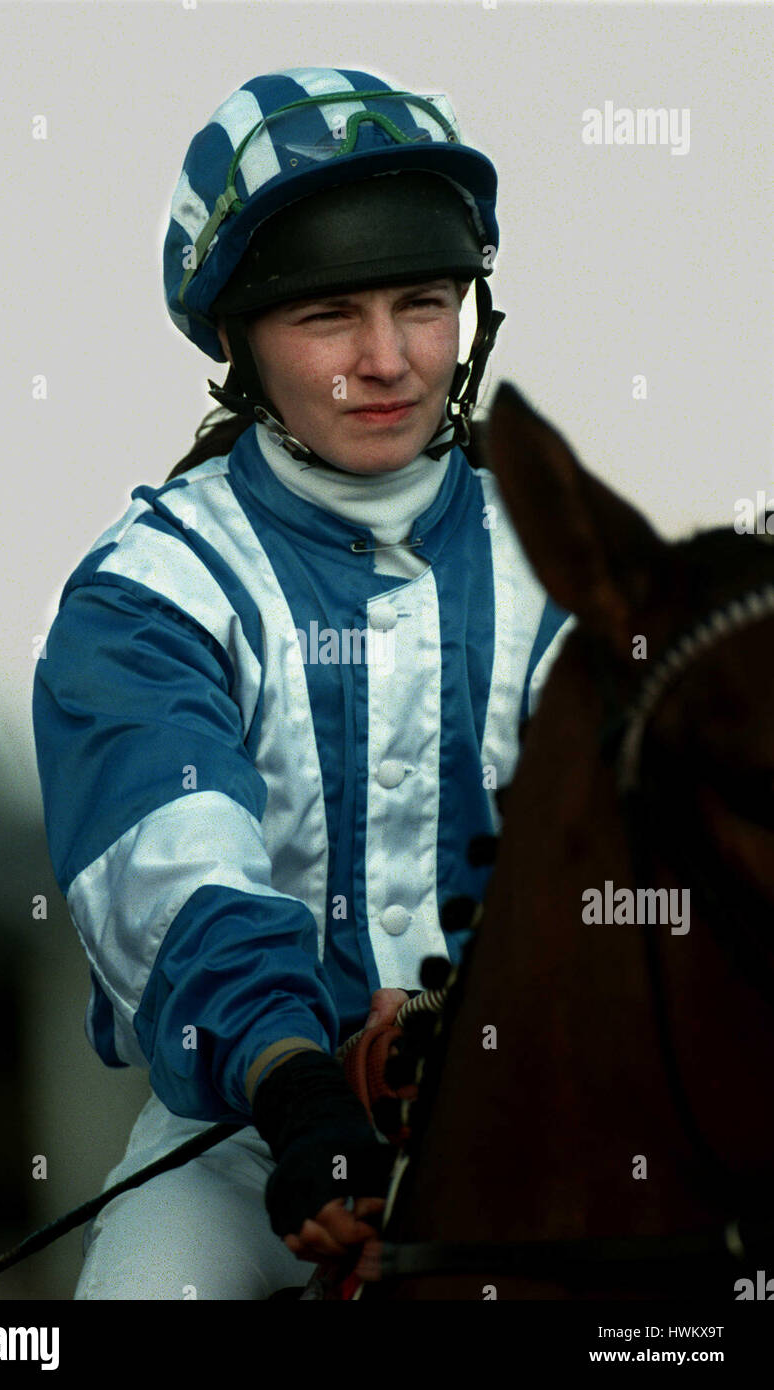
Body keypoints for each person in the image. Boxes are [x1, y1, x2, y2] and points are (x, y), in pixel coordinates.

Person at [32, 66, 570, 1299]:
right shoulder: (147, 589)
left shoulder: (563, 573)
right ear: (235, 342)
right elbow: (178, 874)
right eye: (329, 316)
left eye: (422, 303)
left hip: (530, 1130)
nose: (385, 360)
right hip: (241, 1143)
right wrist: (294, 1073)